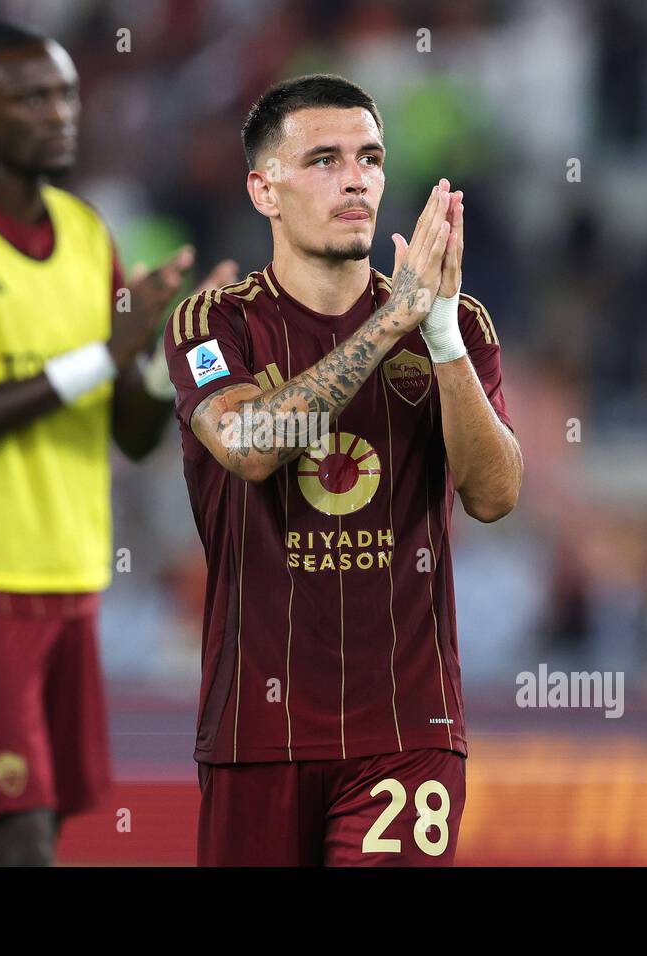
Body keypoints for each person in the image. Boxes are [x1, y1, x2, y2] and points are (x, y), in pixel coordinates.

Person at [0, 21, 234, 865]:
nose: (61, 112)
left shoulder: (87, 235)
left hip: (68, 578)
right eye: (32, 95)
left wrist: (157, 359)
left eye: (67, 93)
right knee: (18, 840)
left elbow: (131, 435)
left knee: (39, 836)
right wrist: (99, 358)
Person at [165, 74, 522, 865]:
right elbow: (251, 445)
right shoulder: (215, 322)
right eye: (323, 159)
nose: (355, 176)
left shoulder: (454, 320)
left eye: (369, 157)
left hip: (407, 729)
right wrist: (393, 321)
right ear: (265, 188)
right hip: (255, 730)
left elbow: (496, 496)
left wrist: (440, 340)